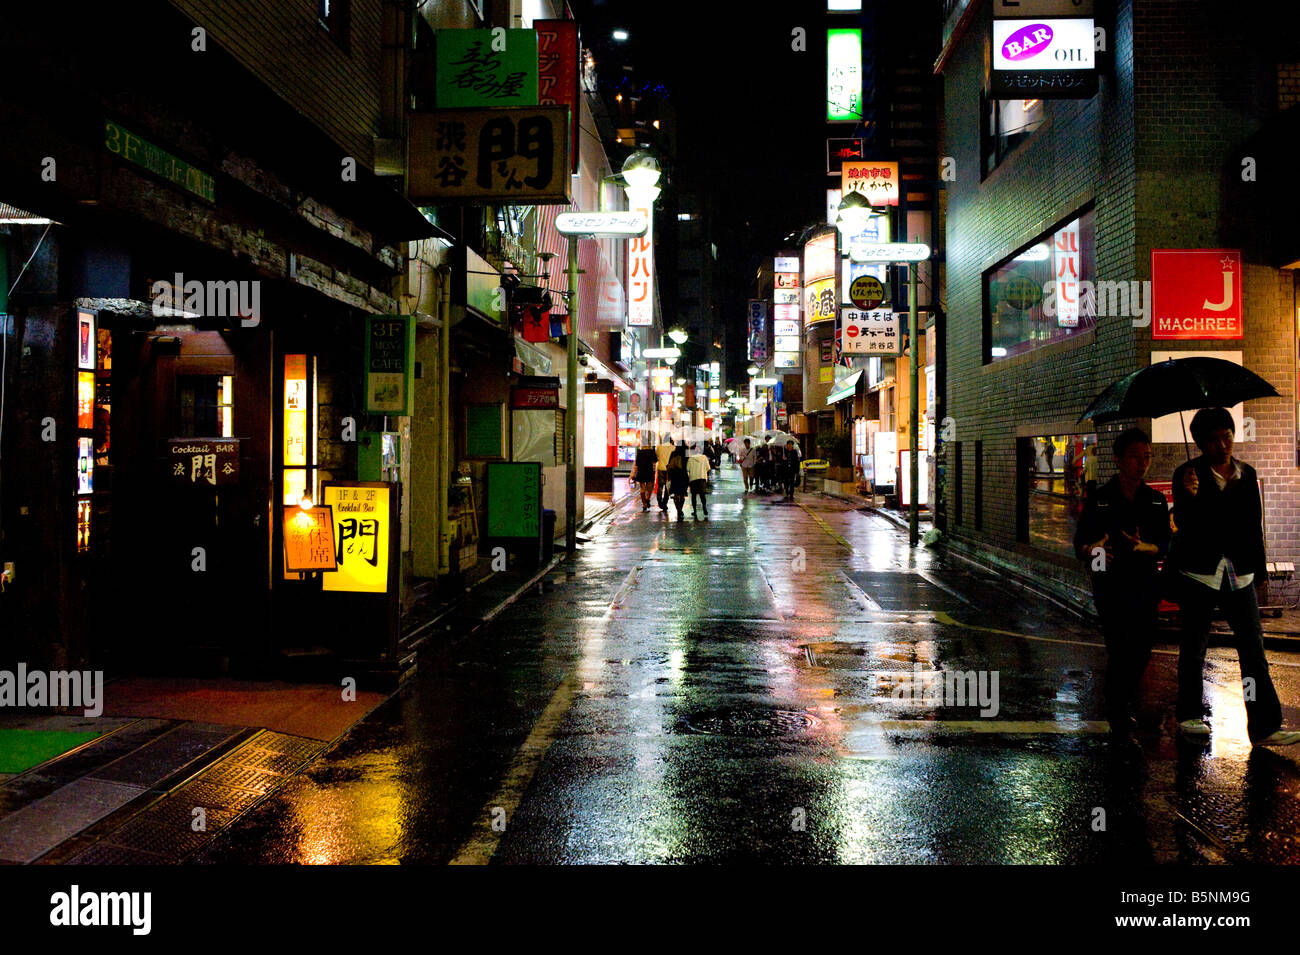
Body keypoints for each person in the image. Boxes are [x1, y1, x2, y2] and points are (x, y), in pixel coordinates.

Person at [1171, 407, 1300, 745]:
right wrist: (1189, 497)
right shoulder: (1187, 474)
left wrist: (1260, 574)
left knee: (1253, 651)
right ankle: (1188, 715)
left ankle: (1263, 727)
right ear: (1200, 443)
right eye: (1213, 440)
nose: (1222, 444)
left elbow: (1253, 529)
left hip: (1239, 574)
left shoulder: (1247, 474)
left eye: (1226, 436)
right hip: (1201, 573)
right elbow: (1184, 527)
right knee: (1194, 648)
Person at [1072, 428, 1170, 739]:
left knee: (1141, 650)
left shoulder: (1155, 501)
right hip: (1110, 584)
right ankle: (1117, 708)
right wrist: (1093, 550)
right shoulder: (1100, 499)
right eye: (1136, 456)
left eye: (1147, 456)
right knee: (1119, 647)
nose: (1143, 463)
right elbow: (1080, 544)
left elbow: (1166, 544)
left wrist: (1146, 548)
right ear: (1118, 460)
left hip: (1144, 585)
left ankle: (1118, 700)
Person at [687, 444, 711, 519]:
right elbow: (708, 468)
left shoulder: (690, 459)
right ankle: (704, 506)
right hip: (702, 478)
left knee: (693, 496)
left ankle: (694, 510)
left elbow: (687, 469)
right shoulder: (704, 458)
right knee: (702, 495)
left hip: (693, 478)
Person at [634, 438, 658, 512]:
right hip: (649, 471)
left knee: (642, 488)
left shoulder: (639, 452)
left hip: (641, 472)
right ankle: (647, 499)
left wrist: (634, 474)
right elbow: (655, 460)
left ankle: (644, 504)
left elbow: (637, 464)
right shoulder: (651, 451)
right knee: (650, 488)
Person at [667, 441, 689, 520]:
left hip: (675, 475)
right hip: (683, 475)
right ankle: (680, 509)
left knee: (676, 494)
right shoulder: (686, 454)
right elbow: (689, 465)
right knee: (682, 494)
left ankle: (678, 510)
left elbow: (669, 464)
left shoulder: (673, 453)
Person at [654, 432, 675, 512]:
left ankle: (659, 501)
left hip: (661, 468)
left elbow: (657, 456)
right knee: (667, 486)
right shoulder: (673, 447)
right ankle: (665, 503)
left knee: (660, 485)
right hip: (669, 469)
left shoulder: (659, 447)